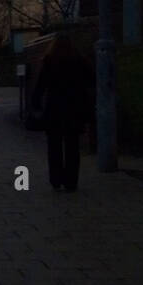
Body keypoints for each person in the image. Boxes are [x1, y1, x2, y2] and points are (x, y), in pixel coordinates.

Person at [31, 35, 93, 191]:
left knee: (54, 146)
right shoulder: (80, 61)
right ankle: (71, 181)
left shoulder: (49, 61)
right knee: (72, 146)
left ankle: (56, 179)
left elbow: (40, 86)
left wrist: (36, 105)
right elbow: (91, 82)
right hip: (74, 109)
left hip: (54, 109)